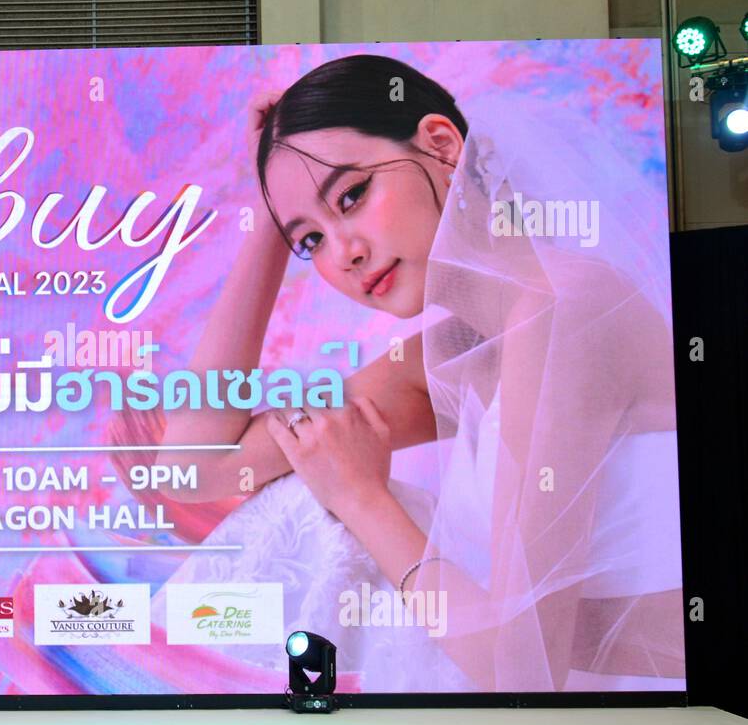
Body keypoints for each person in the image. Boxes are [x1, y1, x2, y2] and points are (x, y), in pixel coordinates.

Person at [151, 54, 684, 692]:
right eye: (311, 241)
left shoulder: (568, 310)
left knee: (334, 506)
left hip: (622, 719)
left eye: (352, 195)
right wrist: (272, 212)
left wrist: (361, 497)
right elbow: (191, 466)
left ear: (441, 144)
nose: (344, 253)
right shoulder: (460, 346)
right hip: (512, 691)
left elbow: (521, 670)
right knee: (299, 497)